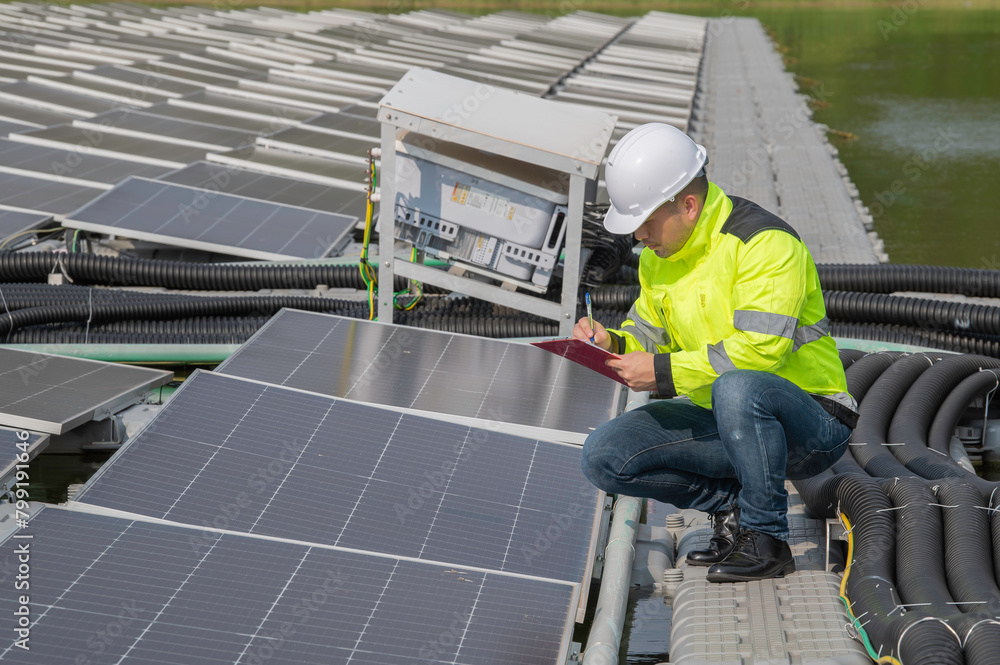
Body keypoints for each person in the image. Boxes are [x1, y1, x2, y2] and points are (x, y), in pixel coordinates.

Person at [574, 123, 857, 583]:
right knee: (604, 456)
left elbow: (757, 355)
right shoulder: (656, 259)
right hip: (728, 416)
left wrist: (663, 374)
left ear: (688, 205)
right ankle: (733, 510)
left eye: (645, 221)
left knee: (738, 386)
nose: (639, 236)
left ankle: (766, 540)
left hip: (812, 422)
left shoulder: (764, 243)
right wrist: (613, 343)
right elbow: (647, 335)